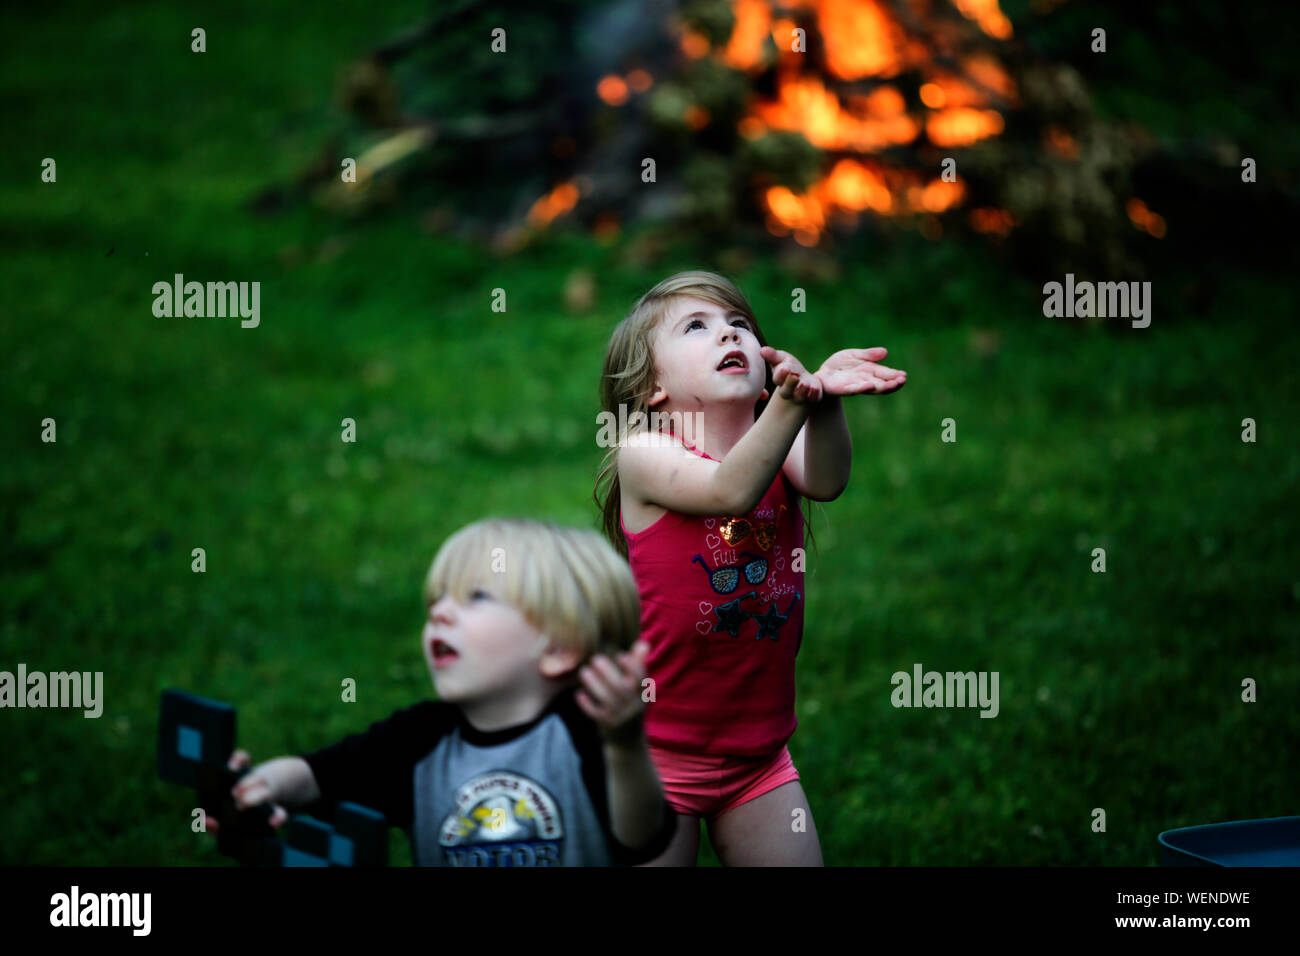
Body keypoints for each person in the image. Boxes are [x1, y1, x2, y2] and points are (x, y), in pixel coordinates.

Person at [593, 271, 906, 865]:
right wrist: (790, 404)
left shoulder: (781, 444)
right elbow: (730, 490)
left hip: (758, 756)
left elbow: (828, 480)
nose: (727, 334)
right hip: (657, 755)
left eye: (739, 324)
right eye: (697, 327)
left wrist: (824, 404)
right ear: (655, 386)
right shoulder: (646, 454)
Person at [206, 517, 677, 866]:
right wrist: (263, 787)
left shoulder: (586, 734)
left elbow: (641, 837)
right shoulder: (420, 740)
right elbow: (318, 776)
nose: (441, 614)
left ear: (556, 647)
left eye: (476, 598)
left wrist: (624, 745)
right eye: (437, 602)